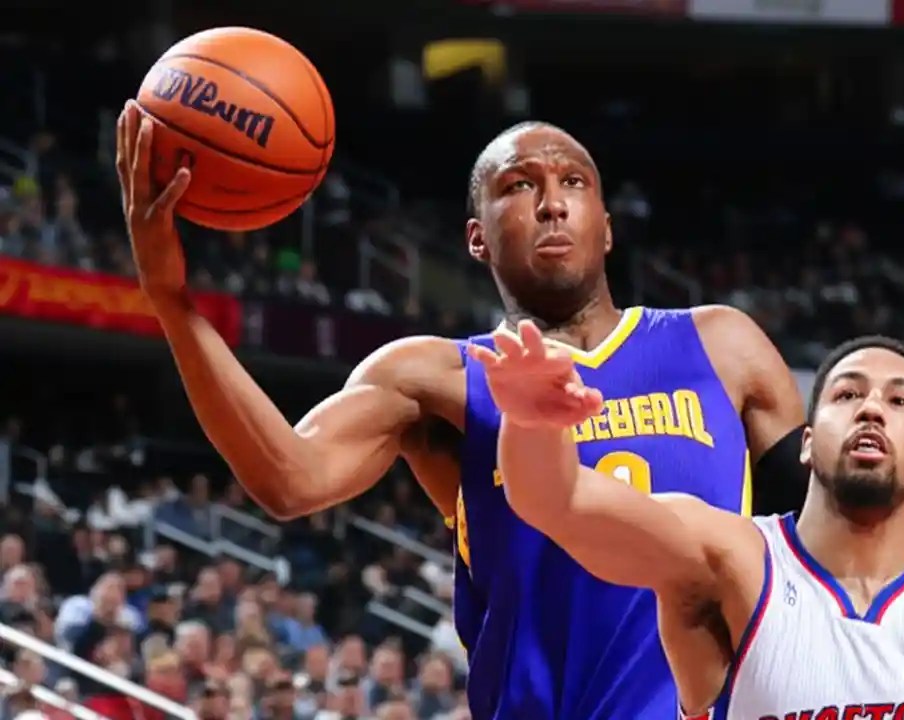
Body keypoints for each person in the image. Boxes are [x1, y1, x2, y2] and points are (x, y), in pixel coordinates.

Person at [115, 103, 810, 719]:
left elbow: (823, 542)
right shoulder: (435, 377)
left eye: (574, 182)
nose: (552, 203)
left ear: (606, 228)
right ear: (477, 238)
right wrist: (173, 303)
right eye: (520, 186)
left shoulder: (723, 345)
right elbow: (289, 480)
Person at [475, 324, 904, 720]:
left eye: (900, 401)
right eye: (847, 395)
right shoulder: (729, 561)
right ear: (806, 443)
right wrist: (530, 421)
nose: (871, 408)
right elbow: (558, 499)